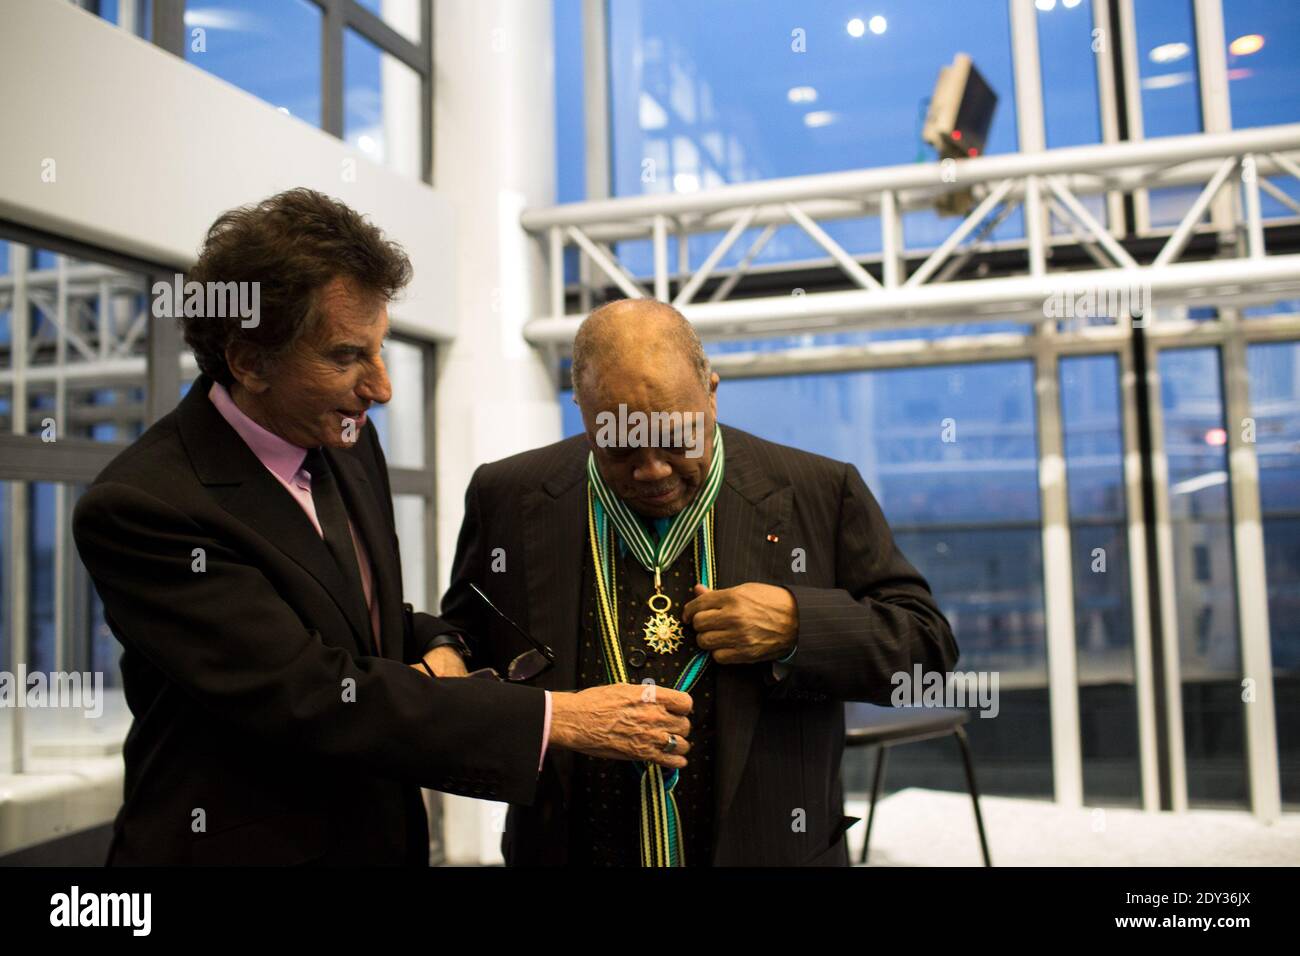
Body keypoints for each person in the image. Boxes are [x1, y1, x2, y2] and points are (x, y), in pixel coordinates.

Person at [72, 189, 691, 865]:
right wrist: (558, 718)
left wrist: (437, 640)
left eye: (380, 348)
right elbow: (309, 693)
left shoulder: (344, 440)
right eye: (345, 356)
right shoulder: (144, 506)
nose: (382, 387)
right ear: (249, 360)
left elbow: (354, 615)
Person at [437, 298, 960, 866]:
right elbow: (465, 637)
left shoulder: (820, 490)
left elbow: (926, 652)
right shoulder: (508, 494)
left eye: (676, 436)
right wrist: (446, 654)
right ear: (584, 414)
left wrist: (796, 625)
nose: (653, 468)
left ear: (710, 393)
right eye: (621, 447)